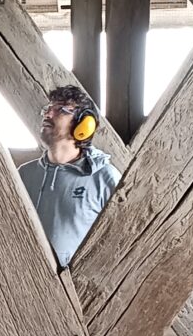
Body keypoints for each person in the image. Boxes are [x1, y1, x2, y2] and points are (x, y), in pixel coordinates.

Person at [18, 85, 121, 268]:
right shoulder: (24, 175)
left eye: (61, 109)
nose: (48, 114)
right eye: (48, 109)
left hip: (76, 292)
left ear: (84, 125)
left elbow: (120, 243)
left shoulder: (105, 178)